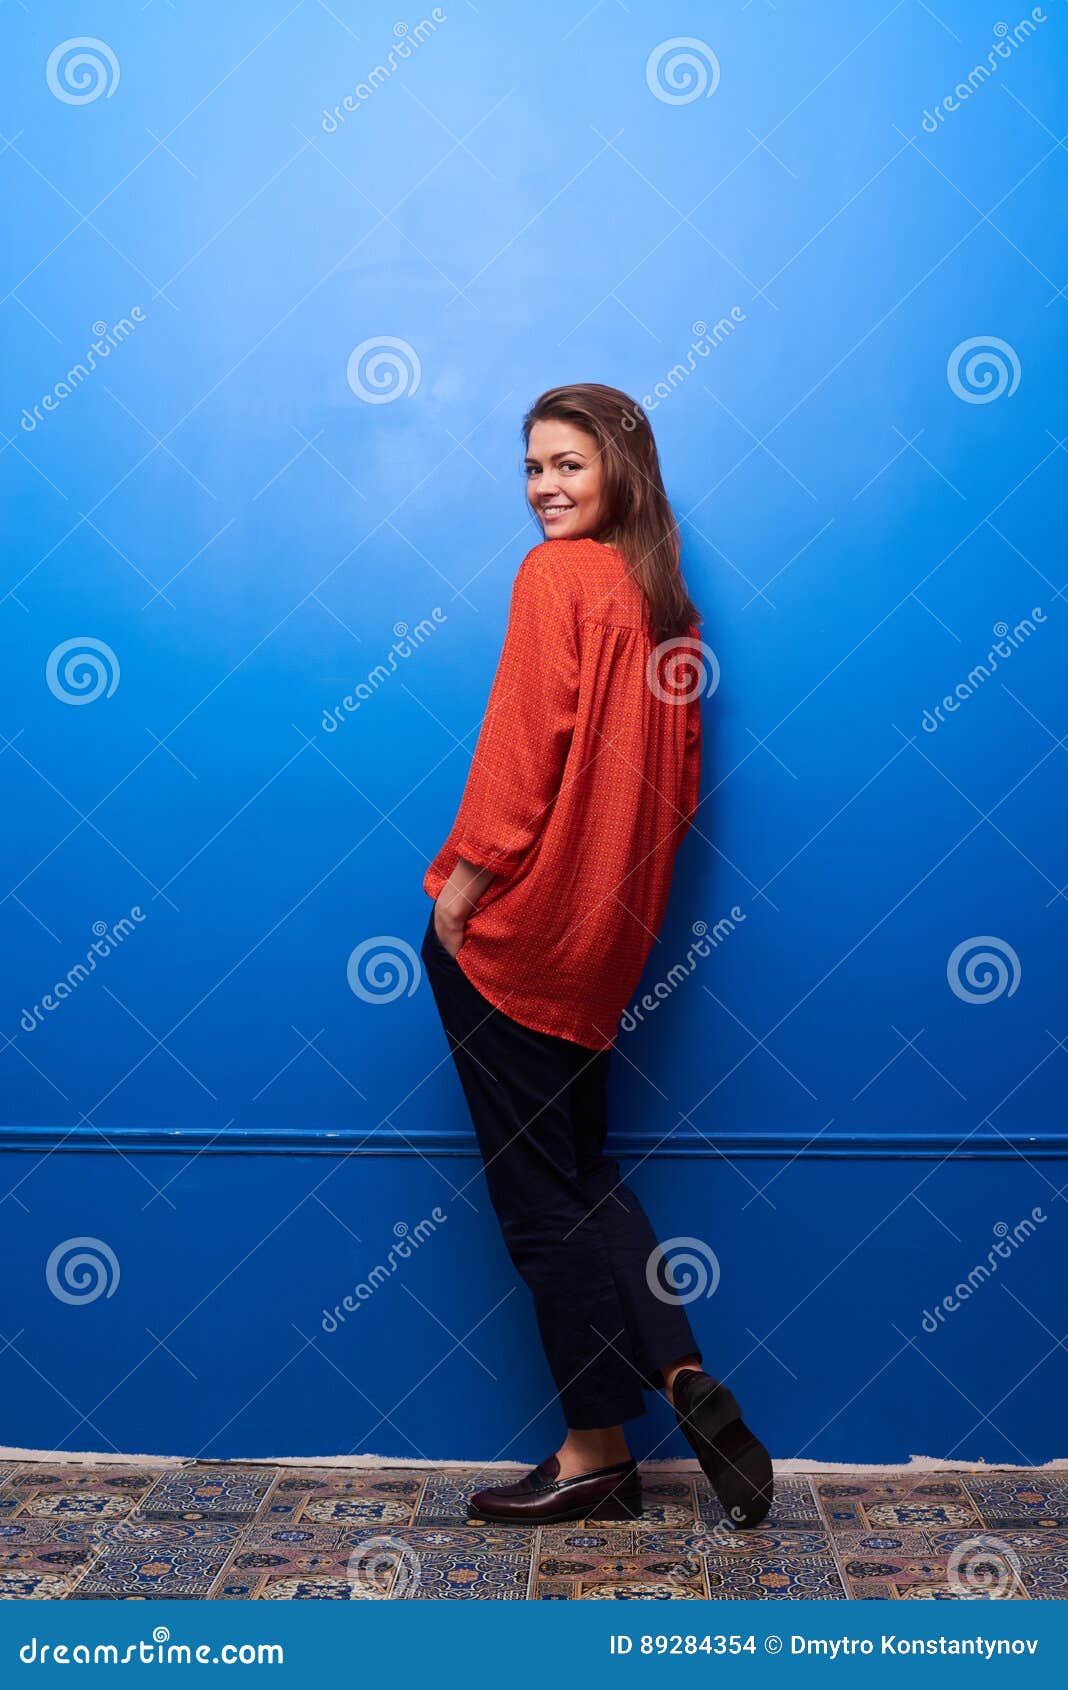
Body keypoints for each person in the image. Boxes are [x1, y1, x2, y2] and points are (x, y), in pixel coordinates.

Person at [421, 383, 772, 1528]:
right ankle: (678, 1365)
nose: (543, 488)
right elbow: (674, 798)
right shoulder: (671, 611)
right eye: (532, 467)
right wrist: (611, 923)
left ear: (624, 466)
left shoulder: (557, 578)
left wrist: (463, 886)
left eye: (567, 463)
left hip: (520, 940)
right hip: (605, 949)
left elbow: (523, 748)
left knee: (540, 1205)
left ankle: (593, 1453)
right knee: (585, 1175)